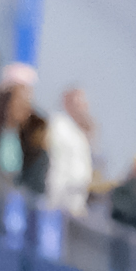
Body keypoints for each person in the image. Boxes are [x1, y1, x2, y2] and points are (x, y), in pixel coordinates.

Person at [42, 85, 94, 214]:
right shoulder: (59, 125)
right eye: (79, 103)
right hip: (60, 196)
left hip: (76, 198)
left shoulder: (78, 131)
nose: (83, 107)